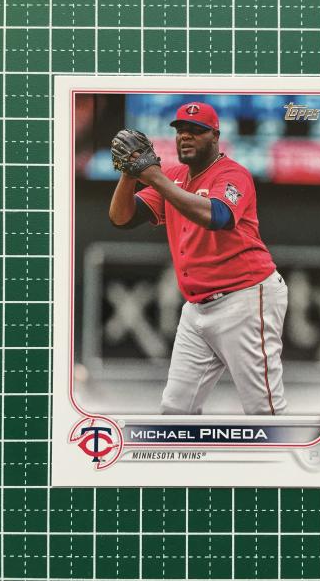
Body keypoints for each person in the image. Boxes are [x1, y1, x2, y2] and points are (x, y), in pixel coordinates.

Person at [108, 102, 288, 415]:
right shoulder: (174, 176)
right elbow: (121, 218)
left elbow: (217, 216)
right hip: (197, 309)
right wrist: (129, 173)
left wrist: (154, 177)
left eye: (196, 130)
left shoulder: (233, 174)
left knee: (264, 411)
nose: (186, 136)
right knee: (175, 410)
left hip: (245, 299)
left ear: (215, 136)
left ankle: (288, 449)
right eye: (180, 130)